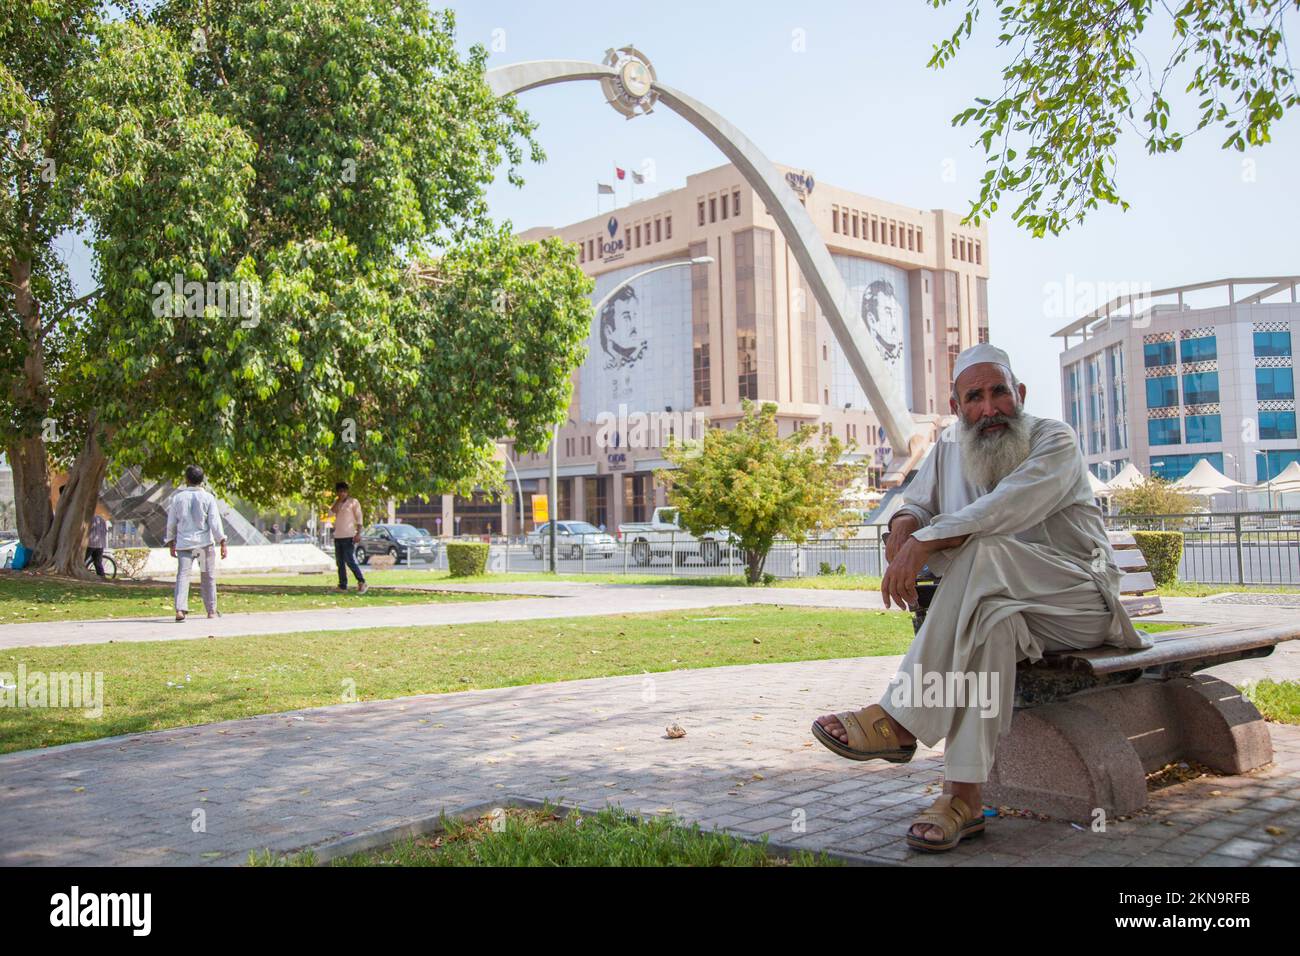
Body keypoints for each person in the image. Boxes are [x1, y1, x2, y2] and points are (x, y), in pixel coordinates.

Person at [811, 343, 1151, 852]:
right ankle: (962, 799)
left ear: (1021, 394)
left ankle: (901, 717)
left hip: (1078, 600)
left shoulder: (1054, 439)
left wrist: (927, 541)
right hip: (1010, 607)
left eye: (999, 393)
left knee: (987, 549)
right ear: (956, 406)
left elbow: (1004, 508)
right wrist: (905, 523)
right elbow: (918, 501)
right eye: (974, 397)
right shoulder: (950, 445)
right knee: (990, 623)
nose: (989, 408)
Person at [164, 464, 227, 621]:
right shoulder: (208, 498)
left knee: (183, 576)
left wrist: (171, 542)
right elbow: (214, 522)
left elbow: (171, 523)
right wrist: (222, 541)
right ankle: (211, 610)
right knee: (207, 576)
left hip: (185, 545)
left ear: (186, 480)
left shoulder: (178, 498)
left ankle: (180, 609)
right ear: (202, 480)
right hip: (203, 546)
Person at [329, 481, 368, 594]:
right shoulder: (337, 503)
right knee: (340, 562)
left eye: (344, 491)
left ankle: (362, 582)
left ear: (347, 492)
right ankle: (342, 586)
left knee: (349, 560)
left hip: (349, 536)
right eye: (340, 491)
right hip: (338, 536)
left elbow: (359, 518)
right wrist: (337, 502)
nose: (342, 494)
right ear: (337, 493)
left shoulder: (353, 502)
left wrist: (358, 533)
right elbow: (330, 514)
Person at [86, 512, 109, 578]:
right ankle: (102, 576)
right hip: (100, 544)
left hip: (91, 543)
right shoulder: (102, 519)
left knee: (81, 560)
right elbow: (105, 531)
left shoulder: (88, 519)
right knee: (98, 562)